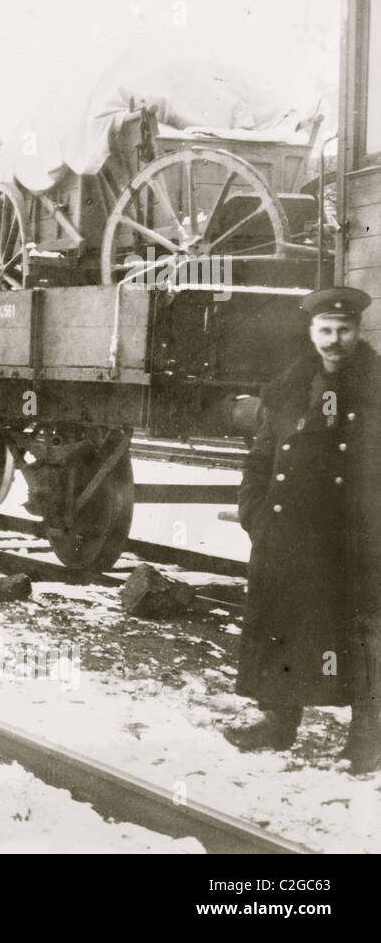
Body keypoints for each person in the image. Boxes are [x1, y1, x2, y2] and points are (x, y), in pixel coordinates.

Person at [226, 286, 381, 774]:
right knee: (281, 624)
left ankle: (367, 738)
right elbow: (261, 456)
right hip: (287, 531)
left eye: (344, 330)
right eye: (326, 330)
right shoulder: (288, 387)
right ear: (312, 332)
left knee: (360, 634)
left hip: (353, 537)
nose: (335, 340)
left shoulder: (377, 387)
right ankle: (277, 721)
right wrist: (254, 511)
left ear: (359, 331)